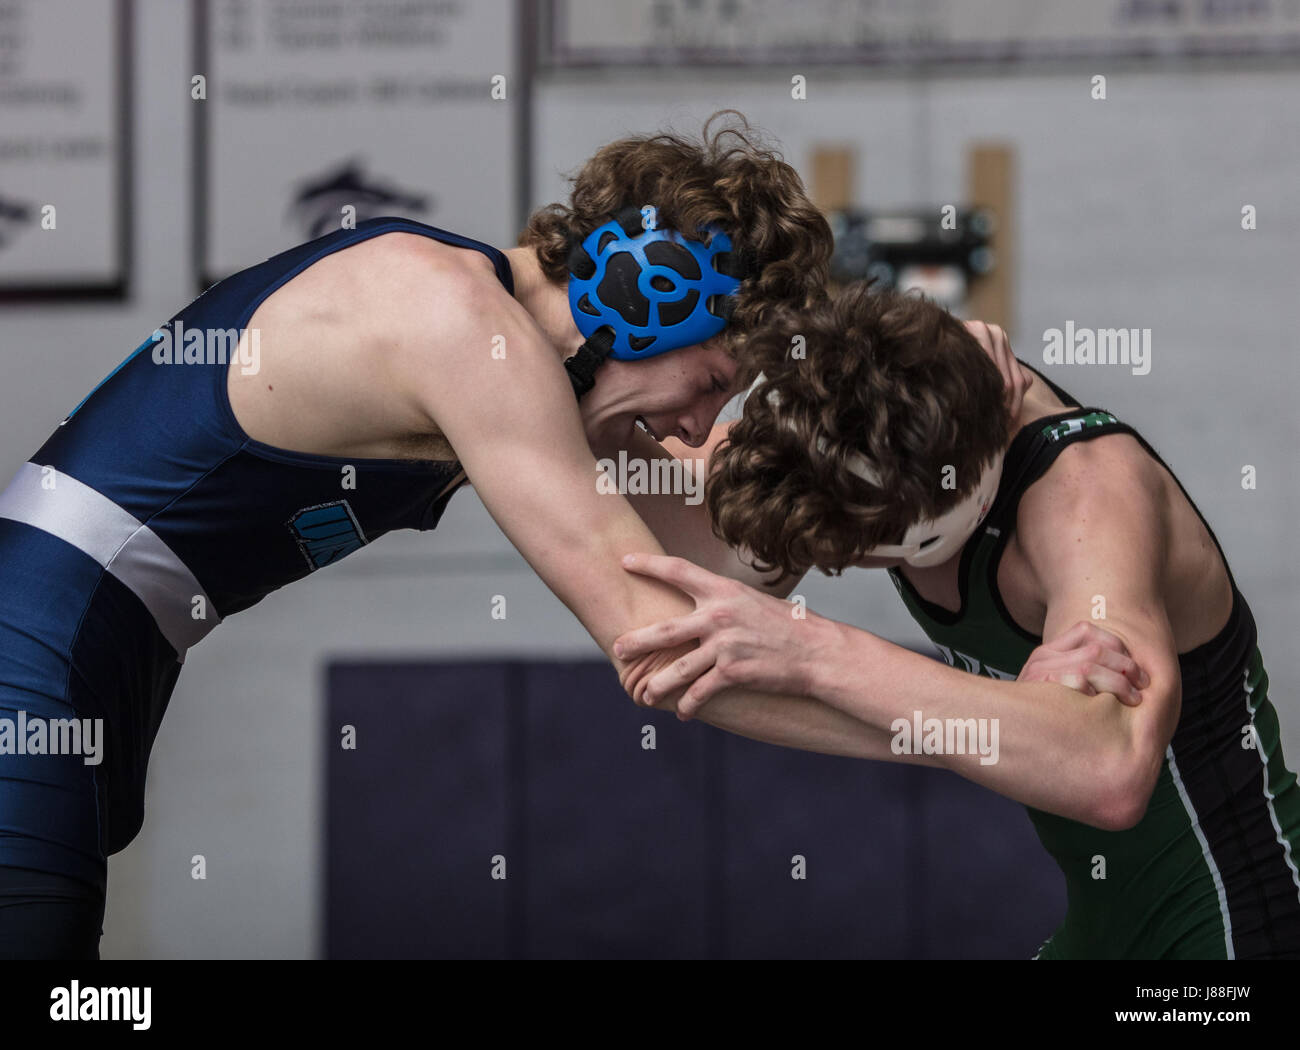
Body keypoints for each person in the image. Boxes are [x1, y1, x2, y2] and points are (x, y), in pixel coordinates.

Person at [0, 113, 902, 958]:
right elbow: (660, 642)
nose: (697, 427)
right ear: (645, 292)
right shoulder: (464, 331)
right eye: (710, 381)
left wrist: (861, 478)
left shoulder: (507, 348)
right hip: (37, 648)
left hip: (81, 645)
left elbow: (722, 565)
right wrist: (962, 730)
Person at [612, 282, 1300, 959]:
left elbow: (1110, 769)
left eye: (851, 550)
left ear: (932, 521)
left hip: (1243, 916)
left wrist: (813, 649)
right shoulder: (876, 405)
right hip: (1105, 925)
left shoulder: (1087, 495)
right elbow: (625, 471)